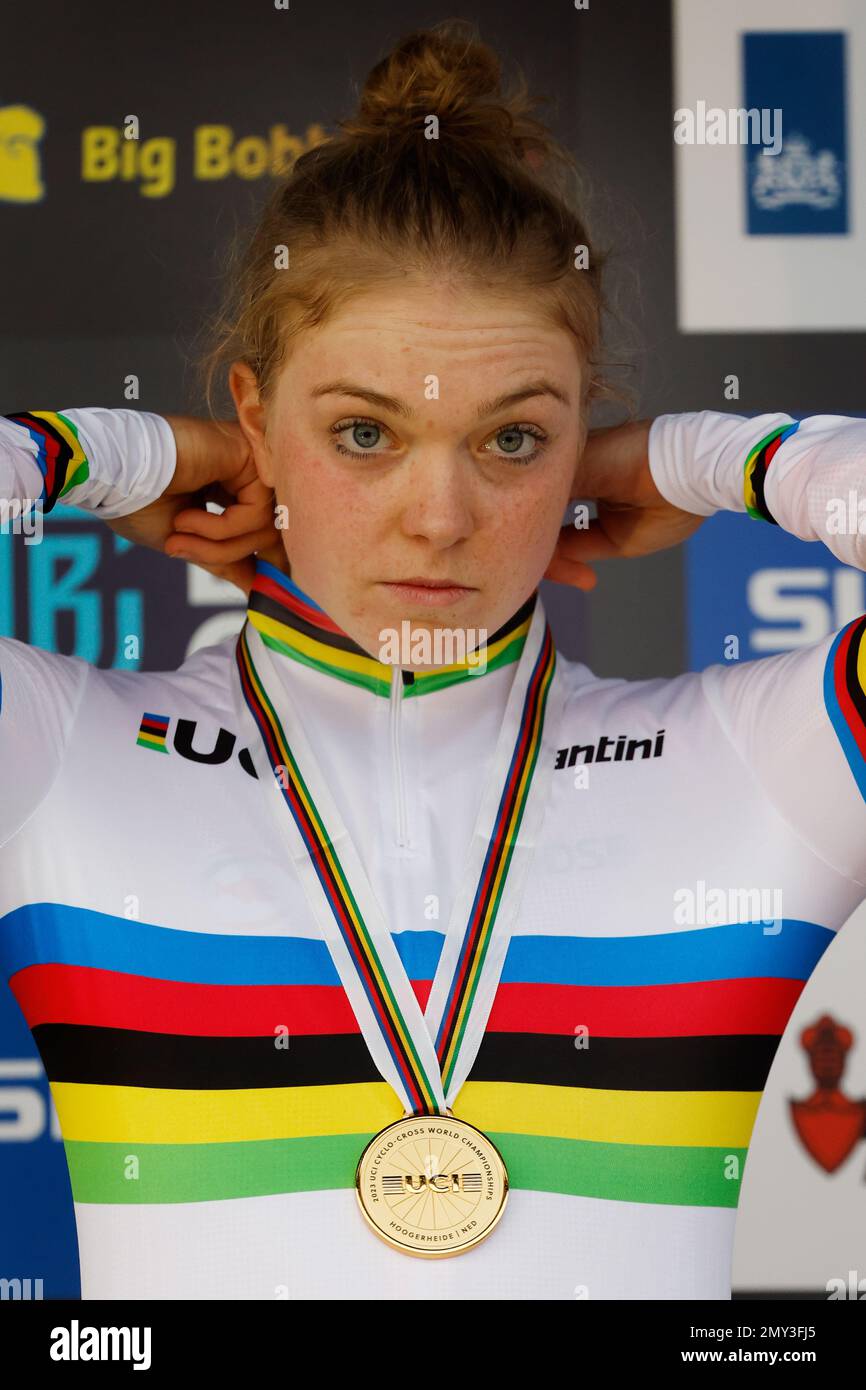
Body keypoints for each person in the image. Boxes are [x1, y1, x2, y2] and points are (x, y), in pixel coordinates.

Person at [1, 20, 865, 1301]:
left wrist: (727, 457)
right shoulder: (58, 751)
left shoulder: (760, 757)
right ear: (253, 421)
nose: (441, 516)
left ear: (586, 445)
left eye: (512, 440)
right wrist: (106, 451)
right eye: (362, 431)